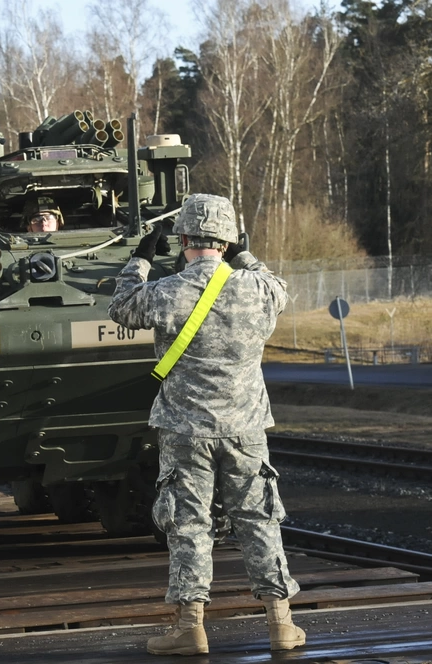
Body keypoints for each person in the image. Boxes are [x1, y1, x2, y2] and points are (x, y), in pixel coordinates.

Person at [108, 193, 305, 656]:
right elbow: (277, 285)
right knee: (259, 521)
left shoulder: (168, 291)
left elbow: (121, 307)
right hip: (246, 429)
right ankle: (281, 624)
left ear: (183, 240)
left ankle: (190, 629)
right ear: (229, 241)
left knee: (189, 525)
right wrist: (244, 256)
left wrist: (140, 258)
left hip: (186, 431)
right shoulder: (258, 289)